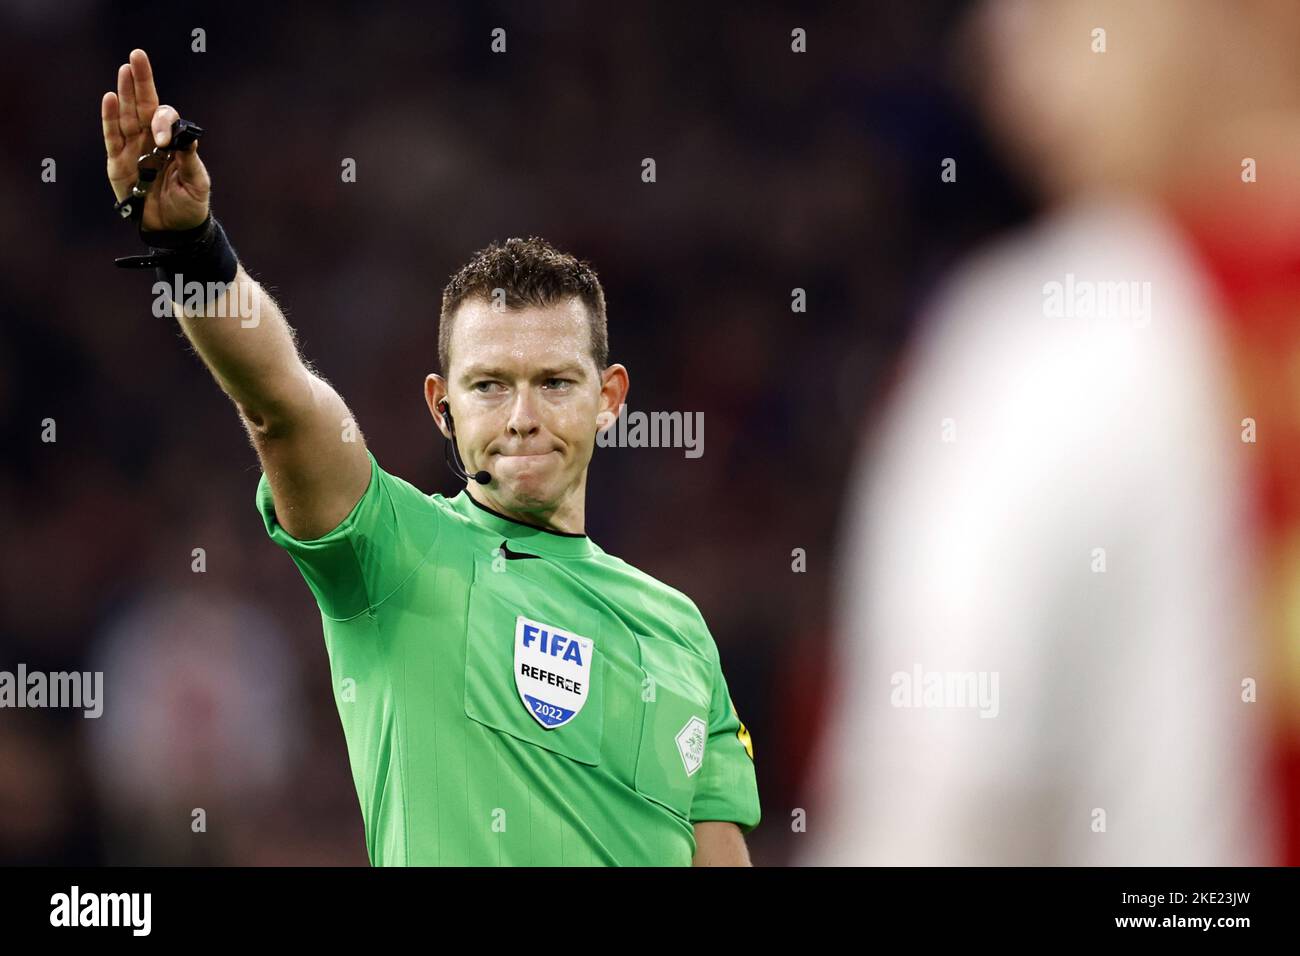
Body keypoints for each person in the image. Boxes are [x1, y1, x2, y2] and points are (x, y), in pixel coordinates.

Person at [102, 48, 759, 866]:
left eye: (555, 382)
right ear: (441, 408)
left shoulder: (680, 631)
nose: (522, 417)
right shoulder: (393, 555)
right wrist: (196, 248)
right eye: (488, 386)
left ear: (610, 398)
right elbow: (282, 405)